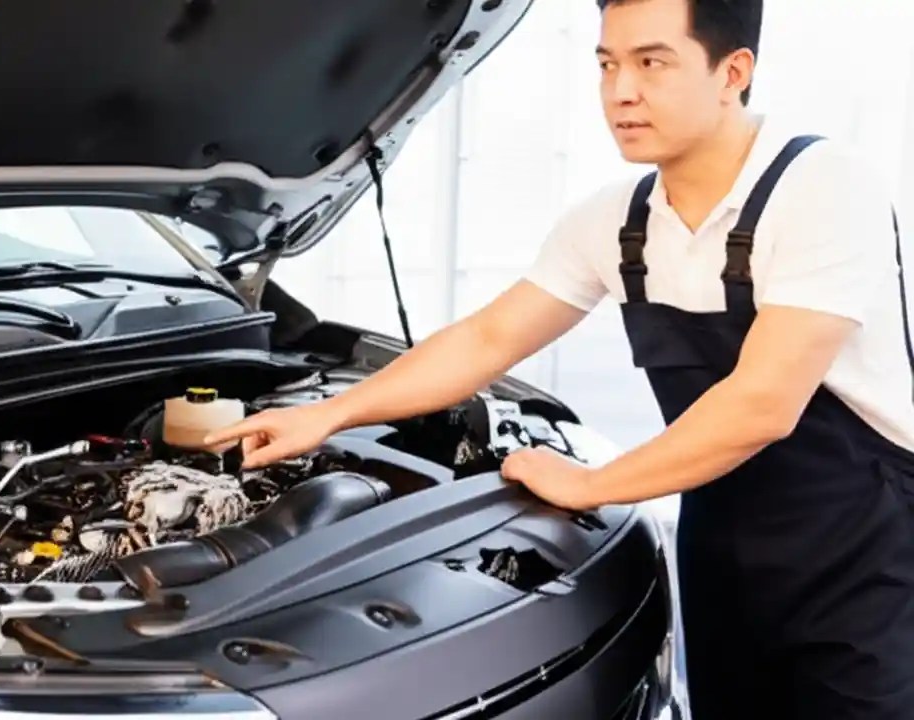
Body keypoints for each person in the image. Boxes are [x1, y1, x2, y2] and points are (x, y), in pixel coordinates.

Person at [203, 0, 914, 717]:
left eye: (652, 63)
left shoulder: (822, 188)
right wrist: (329, 415)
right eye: (608, 65)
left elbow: (762, 404)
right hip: (721, 536)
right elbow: (486, 339)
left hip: (861, 553)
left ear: (733, 72)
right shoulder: (617, 220)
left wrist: (593, 484)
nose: (621, 92)